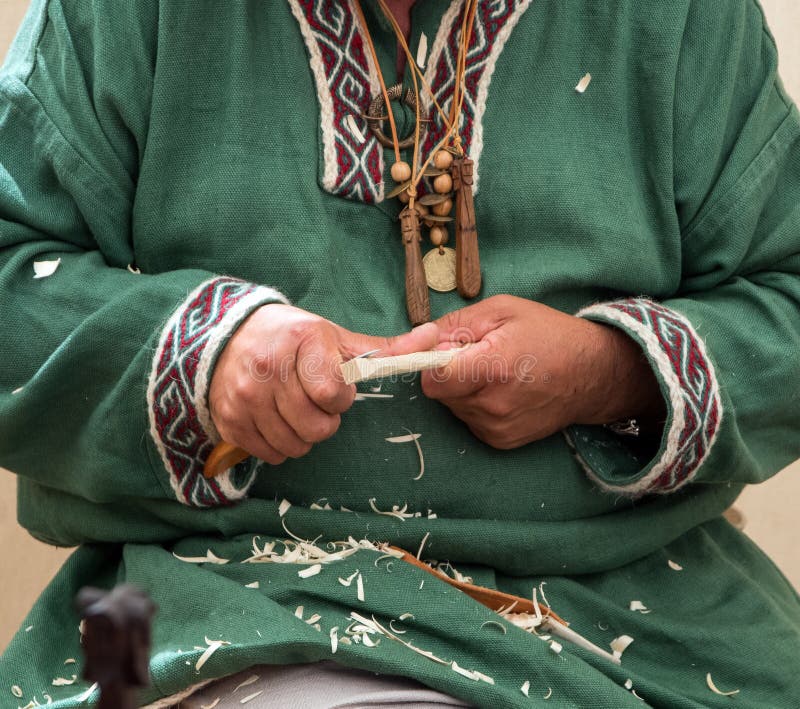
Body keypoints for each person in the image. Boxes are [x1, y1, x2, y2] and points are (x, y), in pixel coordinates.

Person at [1, 0, 799, 706]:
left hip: (646, 612)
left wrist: (607, 371)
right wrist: (210, 356)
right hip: (202, 594)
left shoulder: (686, 17)